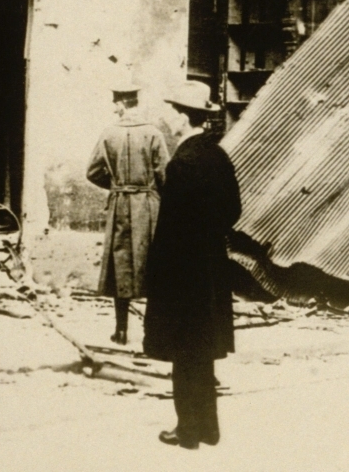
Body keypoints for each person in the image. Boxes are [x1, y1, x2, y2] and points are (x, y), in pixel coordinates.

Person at [143, 80, 240, 450]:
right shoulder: (218, 156)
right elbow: (233, 211)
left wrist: (157, 273)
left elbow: (170, 229)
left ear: (184, 117)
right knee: (202, 350)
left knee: (184, 352)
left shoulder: (182, 163)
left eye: (172, 110)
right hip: (212, 266)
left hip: (182, 271)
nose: (168, 117)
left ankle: (187, 431)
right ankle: (208, 428)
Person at [87, 81, 168, 344]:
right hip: (148, 204)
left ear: (122, 104)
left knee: (120, 264)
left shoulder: (108, 134)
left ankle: (121, 330)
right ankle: (151, 334)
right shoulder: (154, 133)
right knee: (152, 263)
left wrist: (117, 186)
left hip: (120, 202)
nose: (114, 109)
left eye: (116, 104)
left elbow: (93, 172)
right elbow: (164, 175)